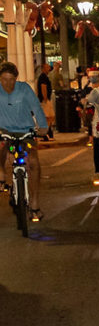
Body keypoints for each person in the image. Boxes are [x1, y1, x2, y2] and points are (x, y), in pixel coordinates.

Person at [0, 62, 49, 220]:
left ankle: (34, 203)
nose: (8, 83)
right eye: (4, 79)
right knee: (2, 150)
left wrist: (43, 126)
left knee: (33, 162)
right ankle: (2, 174)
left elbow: (36, 107)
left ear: (16, 78)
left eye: (11, 79)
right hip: (4, 131)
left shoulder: (24, 89)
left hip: (25, 131)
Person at [36, 63, 54, 140]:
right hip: (44, 100)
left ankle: (48, 131)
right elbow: (43, 87)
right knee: (47, 116)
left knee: (51, 116)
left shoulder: (45, 77)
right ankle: (45, 133)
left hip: (47, 99)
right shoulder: (43, 77)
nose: (48, 69)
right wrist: (45, 98)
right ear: (43, 69)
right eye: (47, 67)